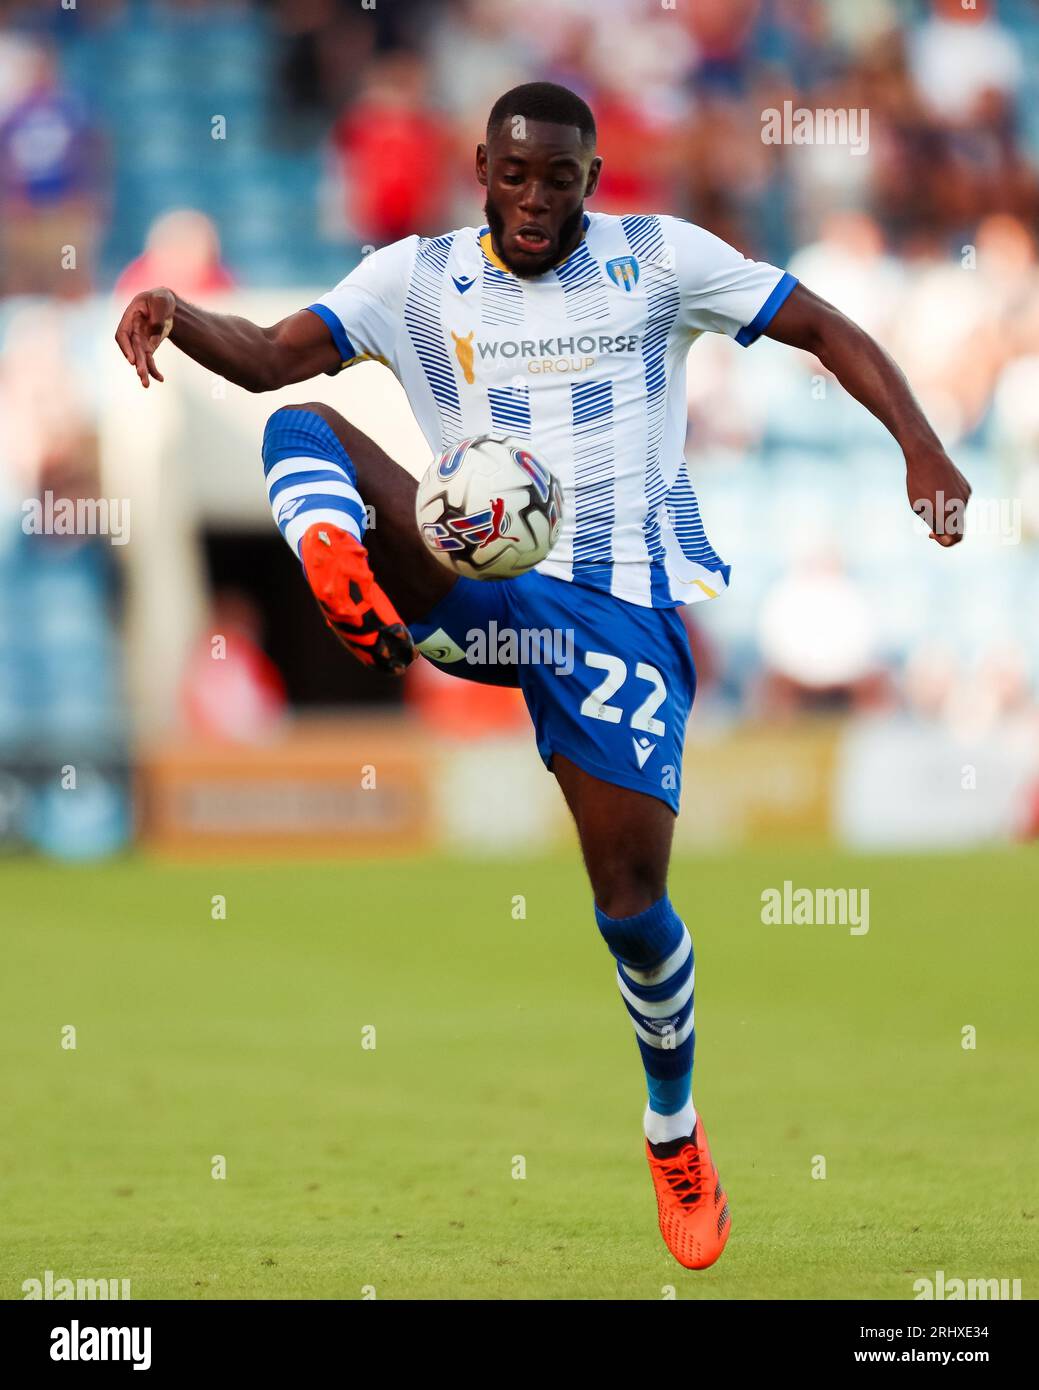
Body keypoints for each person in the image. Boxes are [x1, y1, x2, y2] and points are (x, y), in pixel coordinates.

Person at [115, 81, 970, 1271]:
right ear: (480, 168)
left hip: (614, 621)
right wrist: (177, 314)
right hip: (477, 584)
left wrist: (921, 445)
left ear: (591, 179)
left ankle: (671, 1128)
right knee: (300, 428)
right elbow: (267, 359)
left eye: (557, 178)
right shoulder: (414, 279)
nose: (533, 198)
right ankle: (340, 573)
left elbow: (821, 325)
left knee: (632, 905)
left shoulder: (659, 260)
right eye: (512, 175)